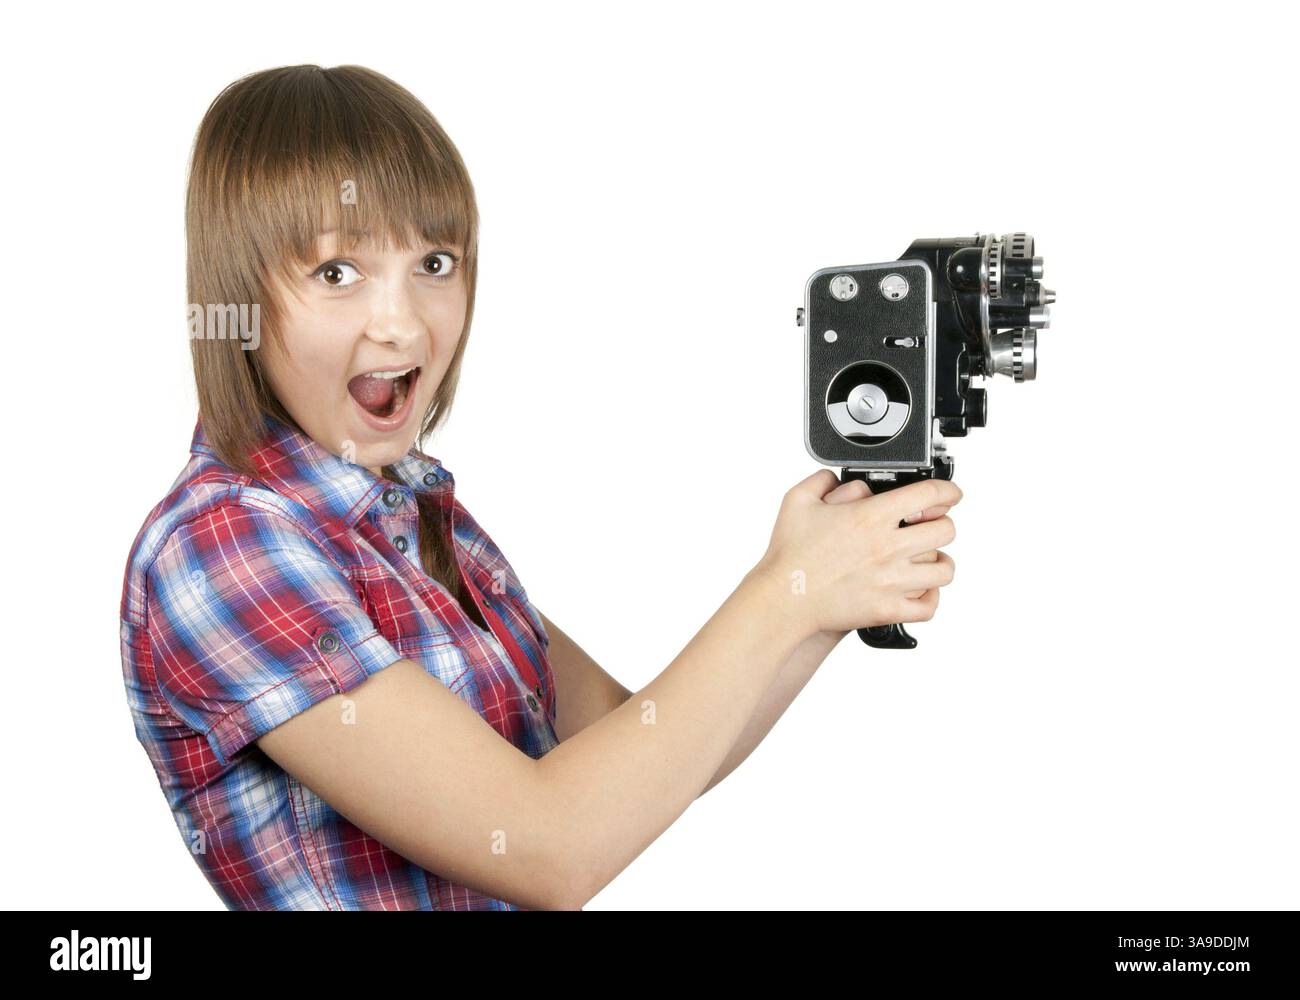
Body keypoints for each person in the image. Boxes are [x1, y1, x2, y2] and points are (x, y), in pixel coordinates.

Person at [118, 63, 960, 911]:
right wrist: (785, 593)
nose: (405, 322)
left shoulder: (413, 513)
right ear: (240, 299)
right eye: (337, 273)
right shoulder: (221, 546)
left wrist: (829, 591)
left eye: (435, 262)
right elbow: (550, 846)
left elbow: (635, 747)